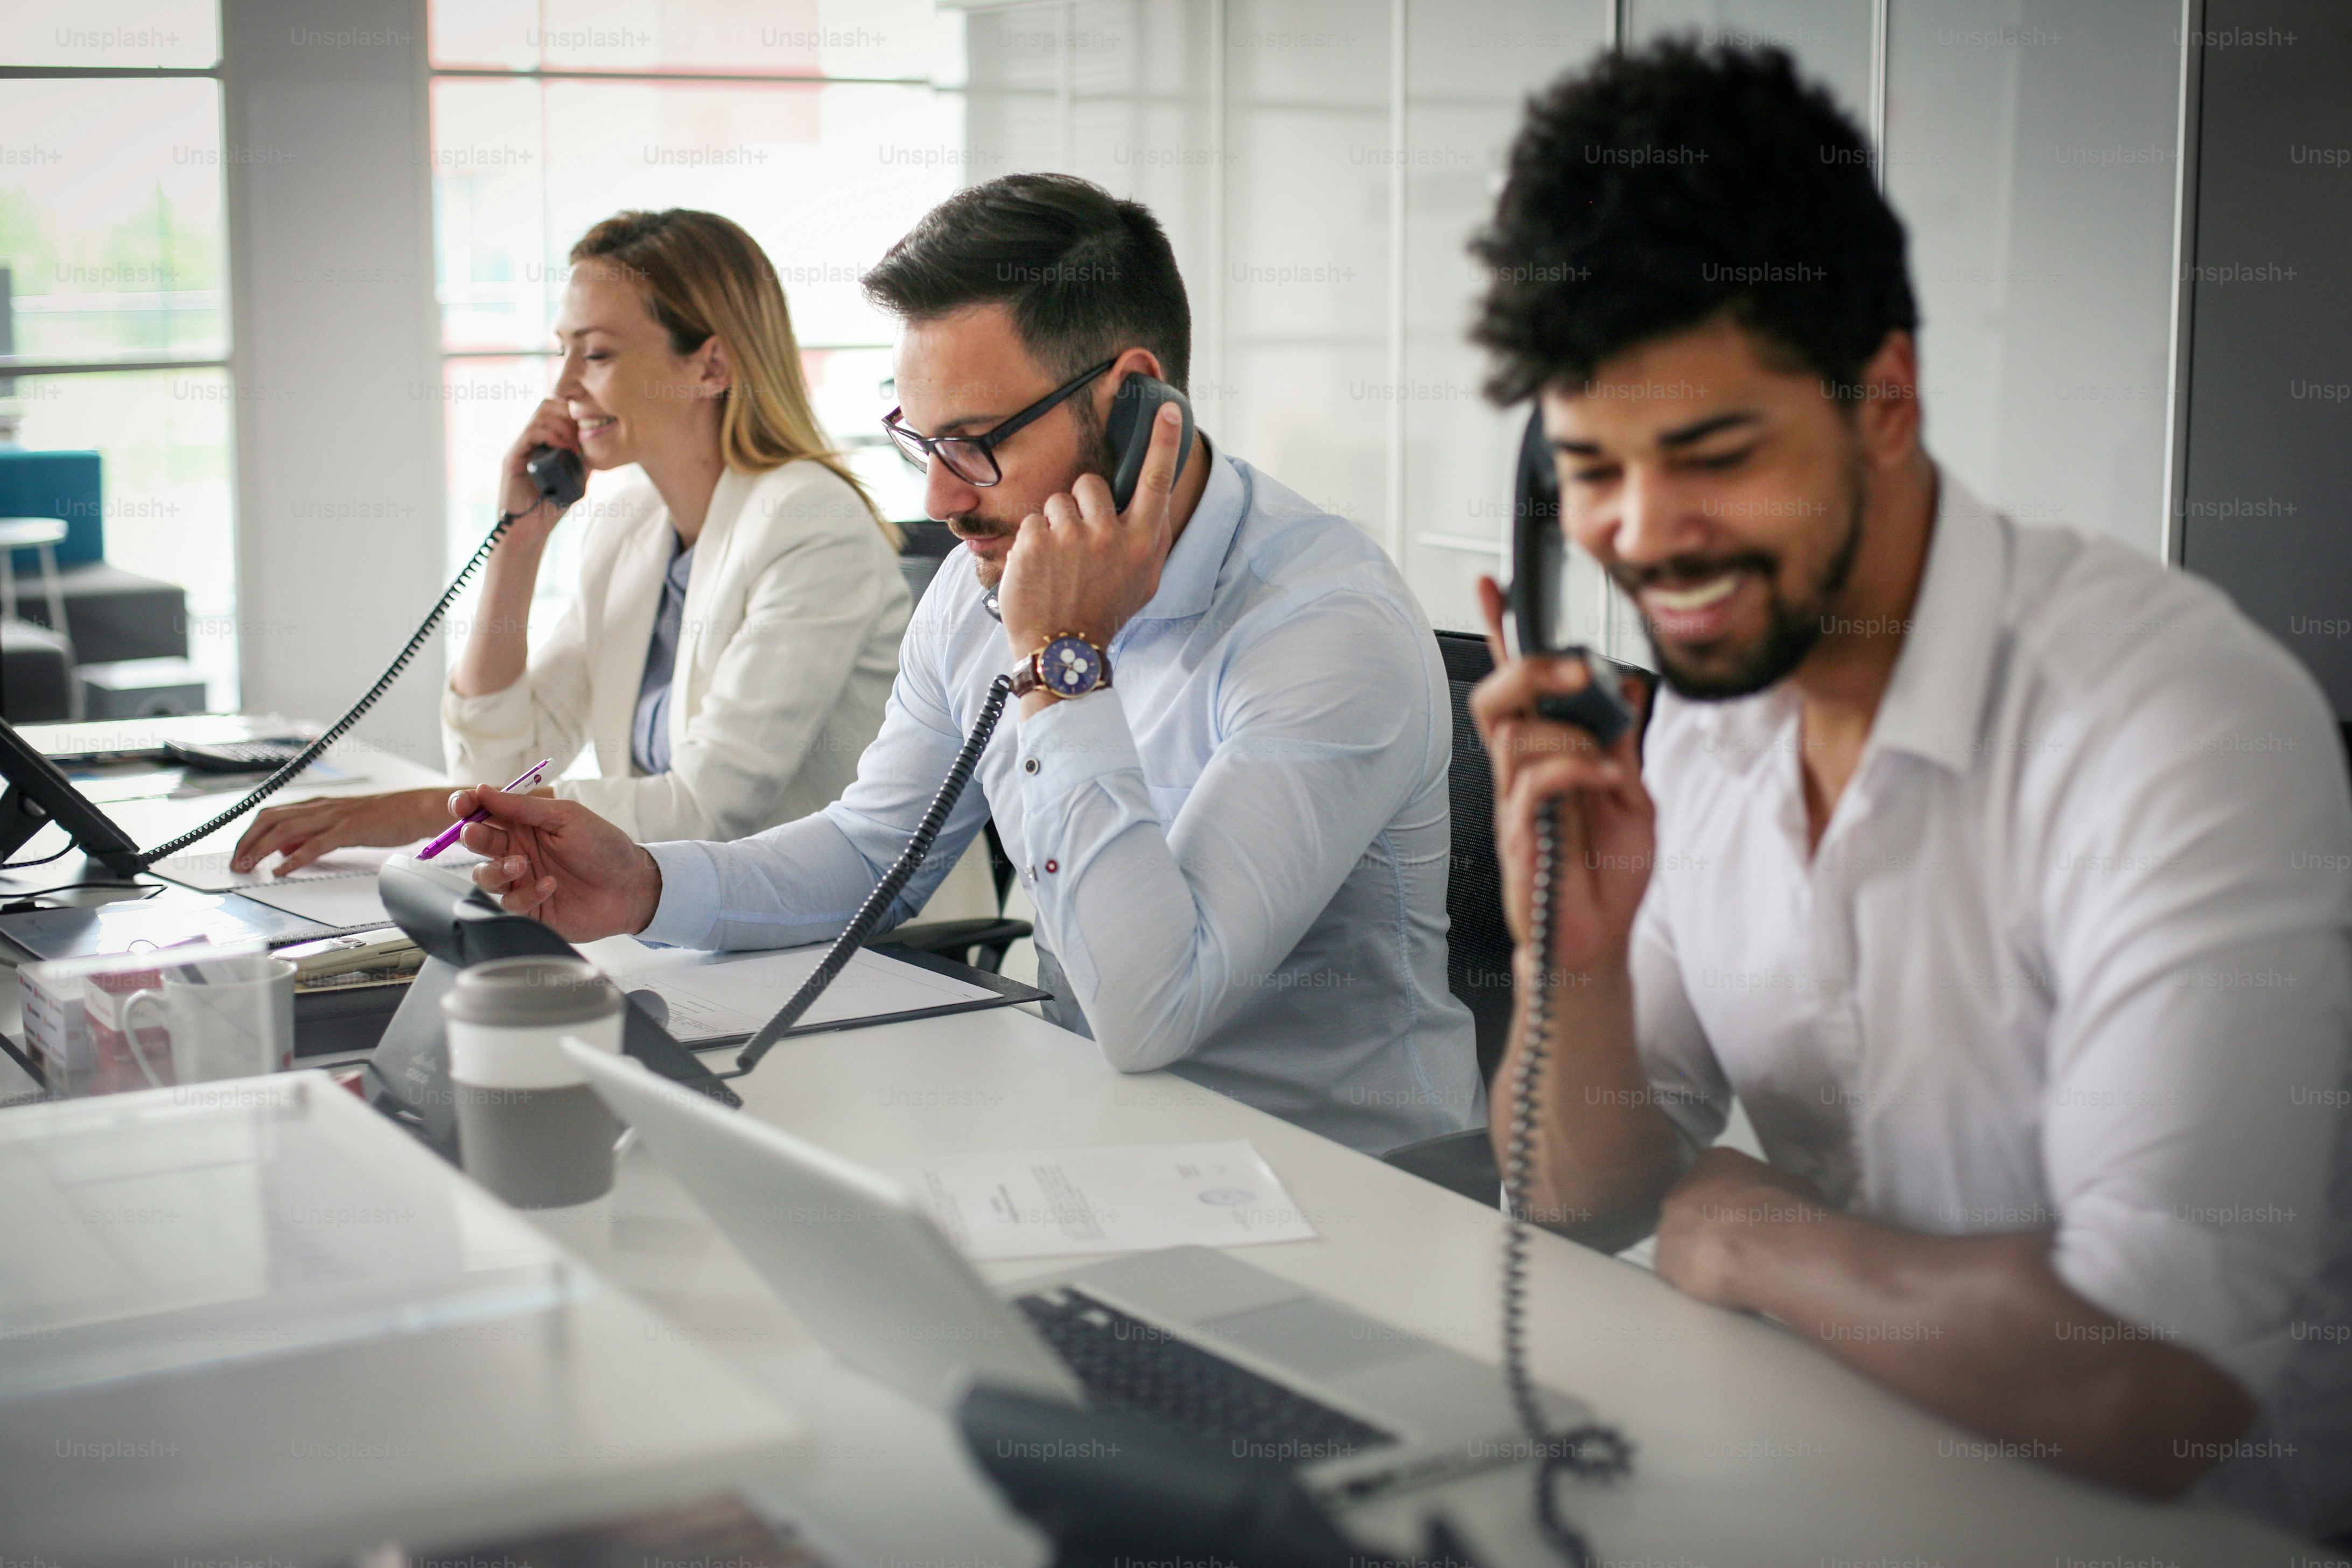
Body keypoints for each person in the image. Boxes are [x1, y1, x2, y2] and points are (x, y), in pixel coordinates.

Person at [1467, 43, 2349, 1538]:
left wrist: (1754, 1236)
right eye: (1592, 471)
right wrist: (1580, 959)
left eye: (1713, 454)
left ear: (1885, 394)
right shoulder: (1698, 725)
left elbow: (2147, 1382)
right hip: (1830, 1472)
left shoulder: (2176, 724)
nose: (1643, 536)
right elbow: (1583, 1195)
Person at [446, 173, 1482, 1157]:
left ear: (1134, 408)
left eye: (976, 441)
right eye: (921, 441)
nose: (942, 502)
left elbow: (1152, 1008)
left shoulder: (1324, 627)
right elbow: (870, 854)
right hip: (1099, 1133)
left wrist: (1059, 661)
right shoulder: (981, 584)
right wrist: (646, 884)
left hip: (1347, 1185)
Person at [230, 209, 918, 872]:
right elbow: (497, 772)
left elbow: (705, 809)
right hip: (692, 920)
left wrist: (420, 813)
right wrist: (519, 544)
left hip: (863, 942)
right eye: (564, 352)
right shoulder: (633, 525)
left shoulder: (810, 525)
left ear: (711, 366)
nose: (561, 386)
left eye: (596, 353)